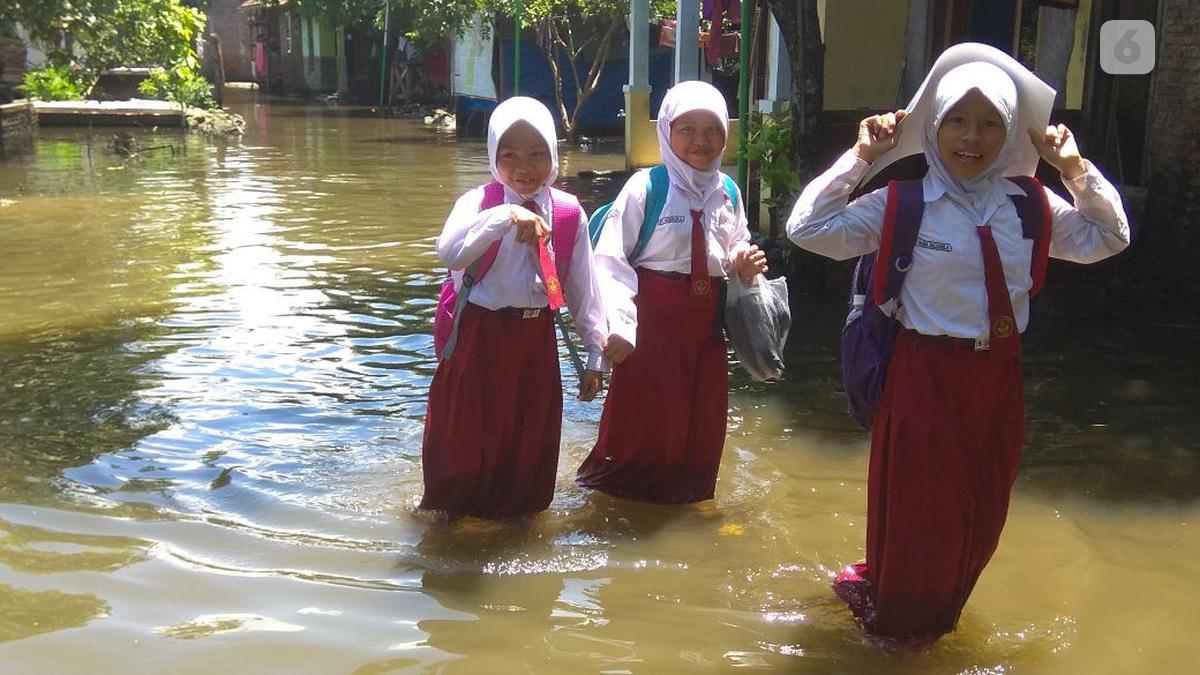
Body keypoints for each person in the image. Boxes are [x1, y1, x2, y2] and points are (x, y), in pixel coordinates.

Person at [786, 43, 1130, 643]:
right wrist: (862, 157)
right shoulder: (903, 202)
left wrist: (1073, 169)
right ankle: (901, 636)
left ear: (1009, 133)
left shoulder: (1028, 204)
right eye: (958, 122)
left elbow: (1109, 236)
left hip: (996, 383)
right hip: (923, 377)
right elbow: (808, 229)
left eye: (991, 123)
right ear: (935, 126)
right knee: (922, 521)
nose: (972, 138)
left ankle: (928, 618)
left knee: (979, 518)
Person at [576, 80, 767, 504]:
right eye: (687, 129)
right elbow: (609, 260)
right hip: (651, 329)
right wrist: (621, 328)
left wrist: (741, 260)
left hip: (704, 329)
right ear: (666, 130)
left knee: (701, 421)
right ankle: (616, 498)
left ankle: (689, 500)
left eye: (712, 129)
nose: (701, 140)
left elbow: (733, 240)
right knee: (643, 422)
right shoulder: (647, 188)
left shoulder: (728, 191)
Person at [421, 96, 607, 519]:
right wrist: (504, 217)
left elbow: (583, 290)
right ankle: (448, 520)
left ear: (553, 155)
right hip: (479, 333)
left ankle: (518, 523)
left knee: (529, 435)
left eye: (537, 153)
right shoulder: (479, 203)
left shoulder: (566, 212)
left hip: (535, 336)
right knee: (466, 435)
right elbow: (450, 254)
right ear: (492, 156)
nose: (524, 167)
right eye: (510, 155)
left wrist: (596, 355)